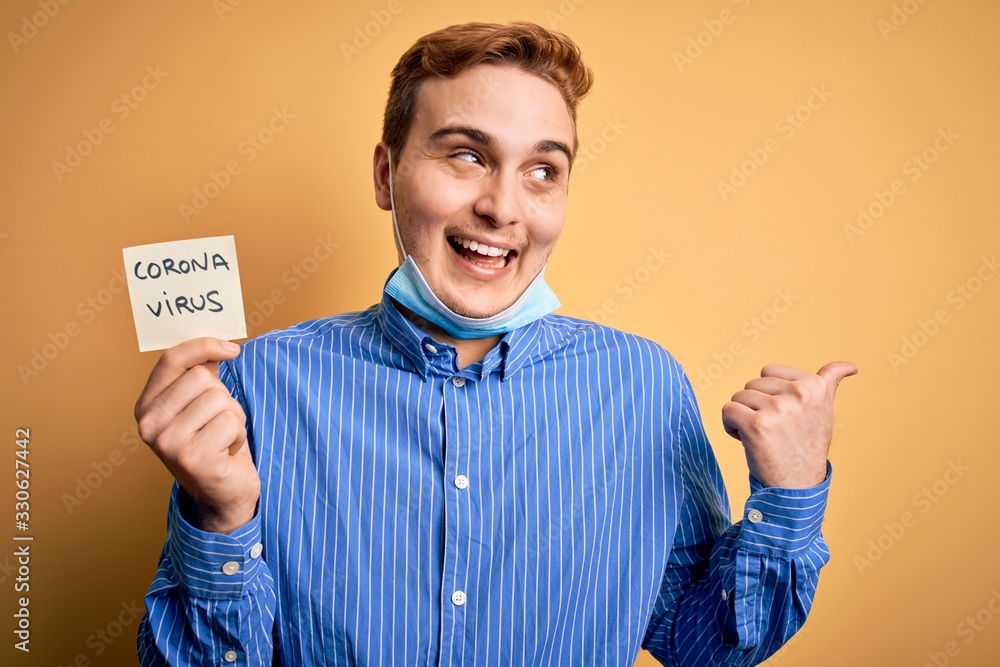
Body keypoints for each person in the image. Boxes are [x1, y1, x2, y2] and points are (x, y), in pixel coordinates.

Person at [134, 21, 855, 666]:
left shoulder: (642, 387)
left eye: (543, 170)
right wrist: (220, 520)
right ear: (387, 176)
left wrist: (789, 496)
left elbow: (703, 645)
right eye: (467, 157)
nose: (502, 207)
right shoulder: (259, 381)